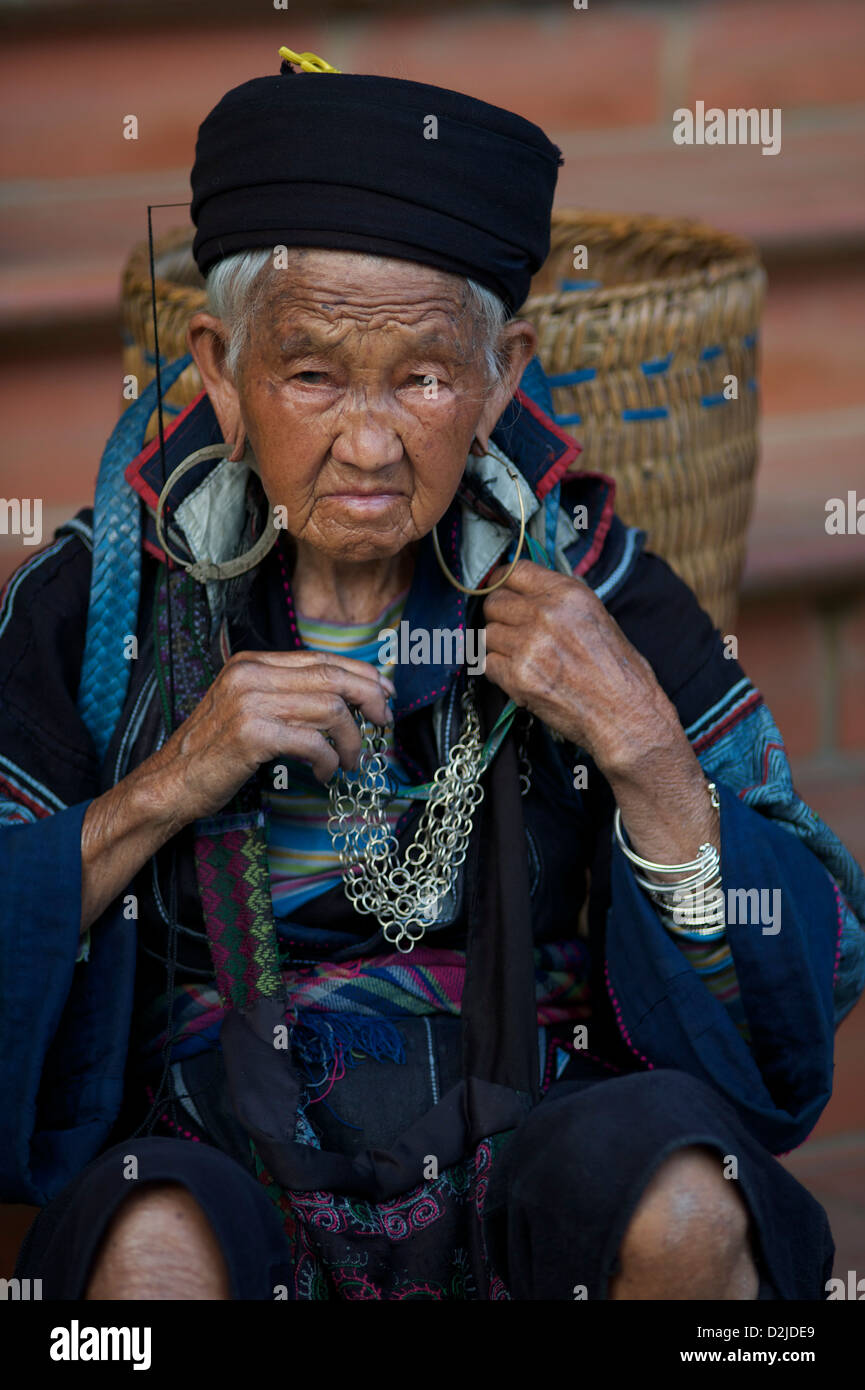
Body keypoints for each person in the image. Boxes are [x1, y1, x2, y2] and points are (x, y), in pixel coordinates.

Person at [3, 53, 864, 1302]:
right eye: (310, 374)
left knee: (686, 1203)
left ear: (502, 373)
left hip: (538, 1117)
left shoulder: (592, 577)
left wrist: (646, 753)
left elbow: (817, 954)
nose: (368, 441)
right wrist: (169, 782)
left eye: (422, 376)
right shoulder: (103, 594)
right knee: (147, 1254)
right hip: (207, 1135)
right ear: (219, 373)